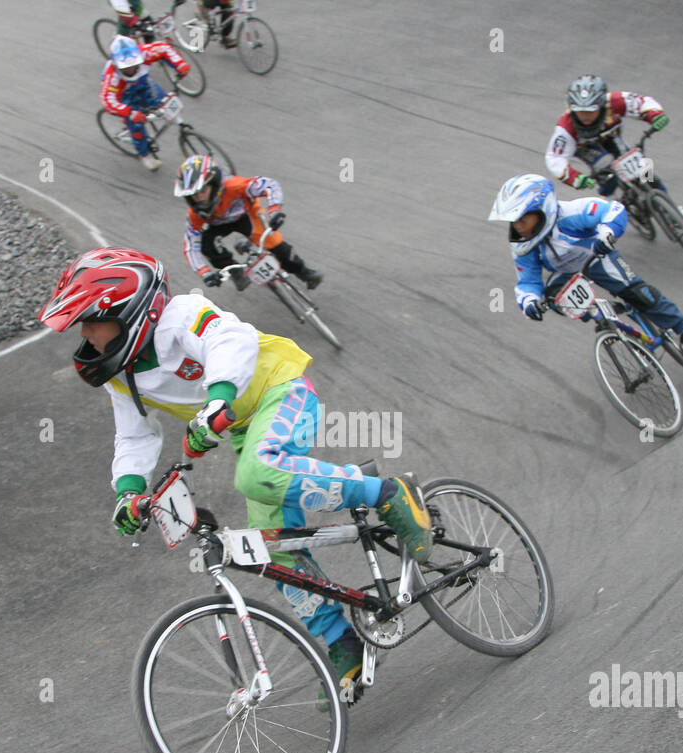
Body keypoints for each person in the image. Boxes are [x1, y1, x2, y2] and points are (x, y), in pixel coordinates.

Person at [37, 247, 433, 690]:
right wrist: (128, 492)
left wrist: (218, 399)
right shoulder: (121, 375)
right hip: (244, 428)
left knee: (256, 473)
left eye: (91, 321)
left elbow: (231, 340)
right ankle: (343, 641)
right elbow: (134, 436)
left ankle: (390, 494)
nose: (85, 334)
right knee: (271, 548)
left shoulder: (180, 315)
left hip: (280, 390)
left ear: (128, 312)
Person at [489, 173, 683, 358]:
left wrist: (607, 232)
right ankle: (605, 320)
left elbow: (613, 209)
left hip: (596, 256)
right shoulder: (522, 246)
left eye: (522, 220)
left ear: (542, 211)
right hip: (565, 273)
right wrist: (530, 301)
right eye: (513, 222)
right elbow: (528, 281)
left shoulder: (572, 213)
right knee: (553, 297)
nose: (519, 228)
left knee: (639, 294)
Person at [545, 74, 683, 221]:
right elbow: (555, 157)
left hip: (611, 138)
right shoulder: (565, 127)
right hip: (586, 147)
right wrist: (576, 178)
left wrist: (654, 115)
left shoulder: (615, 102)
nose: (585, 116)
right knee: (605, 167)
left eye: (591, 110)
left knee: (644, 169)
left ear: (603, 104)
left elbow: (641, 103)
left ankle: (672, 209)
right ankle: (612, 202)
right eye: (580, 111)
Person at [173, 154, 323, 291]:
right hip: (217, 225)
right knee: (206, 246)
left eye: (202, 191)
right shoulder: (194, 215)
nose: (199, 198)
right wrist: (204, 272)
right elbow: (191, 246)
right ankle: (235, 272)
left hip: (247, 214)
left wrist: (275, 210)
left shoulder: (235, 186)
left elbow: (270, 185)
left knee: (276, 244)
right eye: (193, 195)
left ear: (215, 183)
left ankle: (304, 272)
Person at [100, 35, 191, 171]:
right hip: (125, 95)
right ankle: (144, 154)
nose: (131, 70)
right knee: (137, 124)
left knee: (164, 101)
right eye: (127, 68)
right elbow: (107, 101)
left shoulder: (144, 52)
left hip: (143, 84)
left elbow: (164, 48)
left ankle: (178, 122)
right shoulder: (112, 77)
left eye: (134, 65)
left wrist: (180, 64)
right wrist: (130, 113)